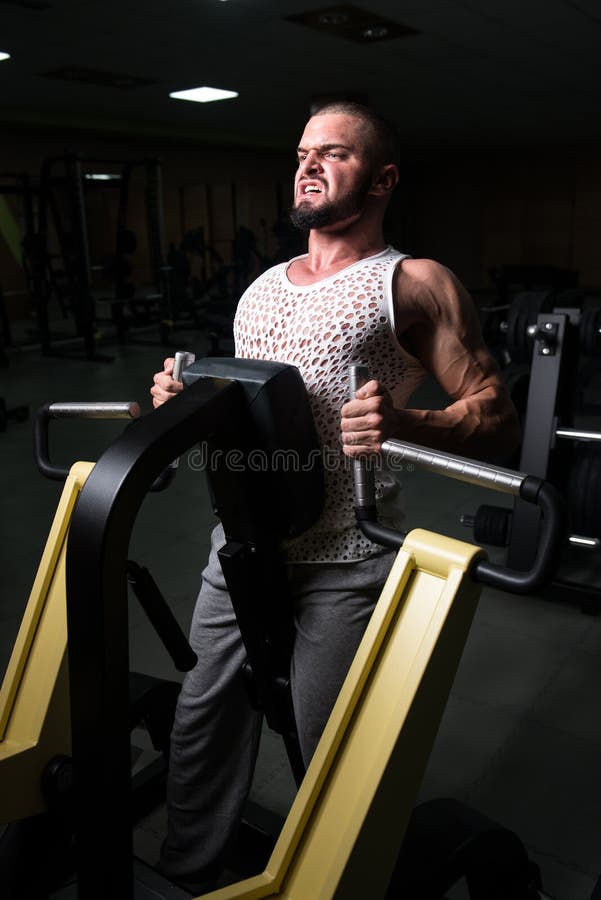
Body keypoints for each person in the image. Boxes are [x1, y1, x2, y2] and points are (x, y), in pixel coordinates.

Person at [150, 101, 520, 892]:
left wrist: (411, 420)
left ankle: (338, 880)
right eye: (301, 153)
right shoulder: (257, 291)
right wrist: (178, 404)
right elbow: (246, 409)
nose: (308, 165)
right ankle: (185, 871)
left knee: (329, 744)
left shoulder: (412, 283)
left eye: (334, 153)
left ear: (382, 178)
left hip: (347, 551)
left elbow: (494, 412)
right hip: (244, 538)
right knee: (202, 717)